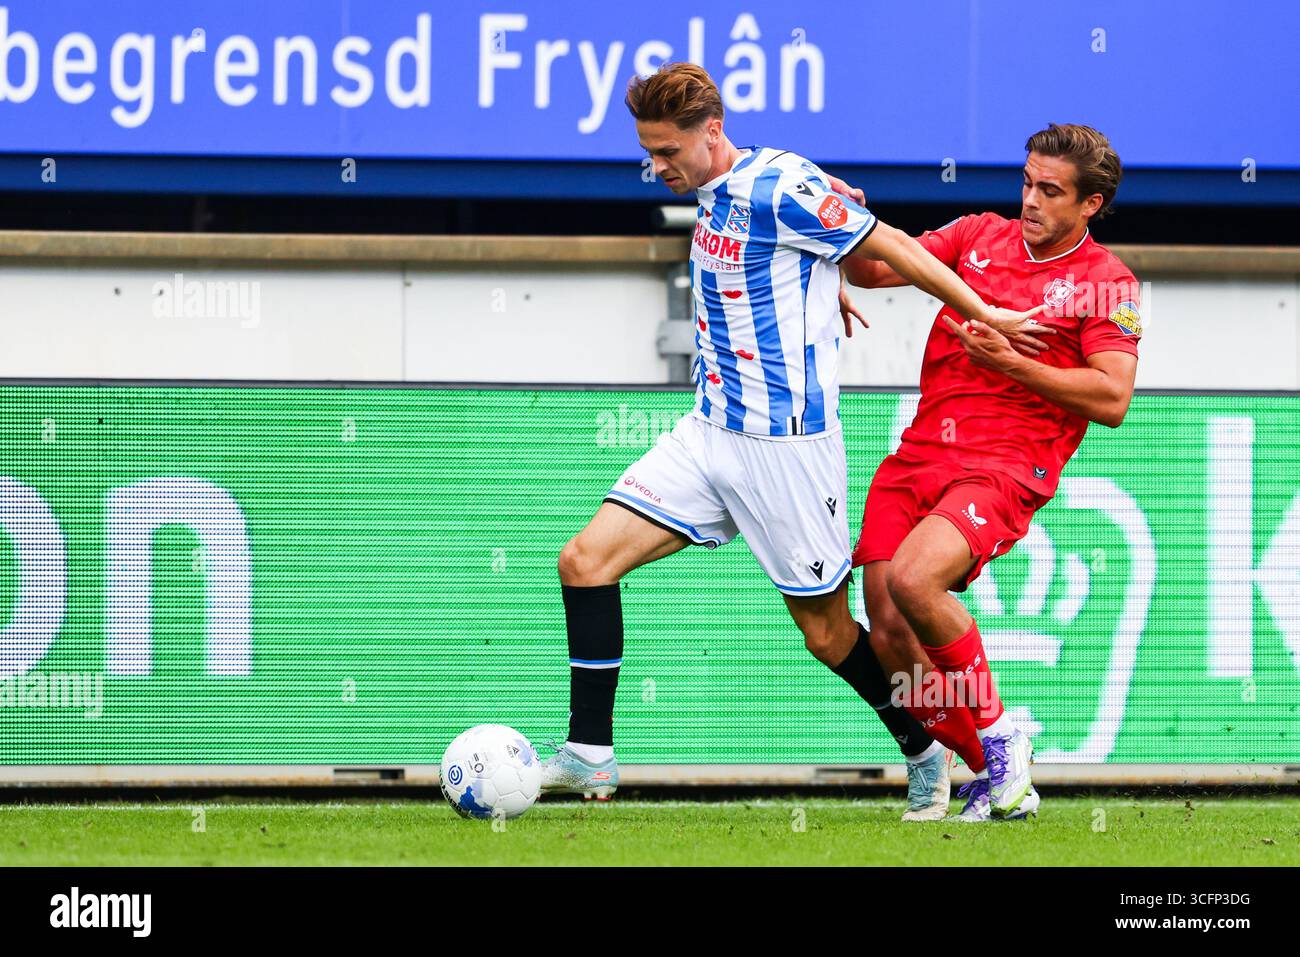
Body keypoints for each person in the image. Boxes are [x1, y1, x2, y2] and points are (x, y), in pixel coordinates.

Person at [539, 62, 1044, 819]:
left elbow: (897, 246)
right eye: (649, 151)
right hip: (707, 432)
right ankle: (590, 757)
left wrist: (987, 312)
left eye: (668, 151)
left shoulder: (777, 186)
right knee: (583, 561)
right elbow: (797, 242)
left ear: (712, 132)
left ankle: (925, 746)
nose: (657, 167)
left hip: (785, 450)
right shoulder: (717, 188)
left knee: (826, 631)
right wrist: (819, 273)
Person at [835, 123, 1143, 820]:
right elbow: (875, 268)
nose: (1029, 199)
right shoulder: (977, 235)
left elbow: (1113, 397)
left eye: (1050, 190)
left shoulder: (1106, 283)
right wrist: (845, 214)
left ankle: (1004, 736)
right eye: (1027, 181)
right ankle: (990, 772)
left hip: (1004, 466)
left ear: (1090, 204)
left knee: (917, 578)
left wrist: (1014, 364)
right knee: (886, 621)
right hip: (919, 454)